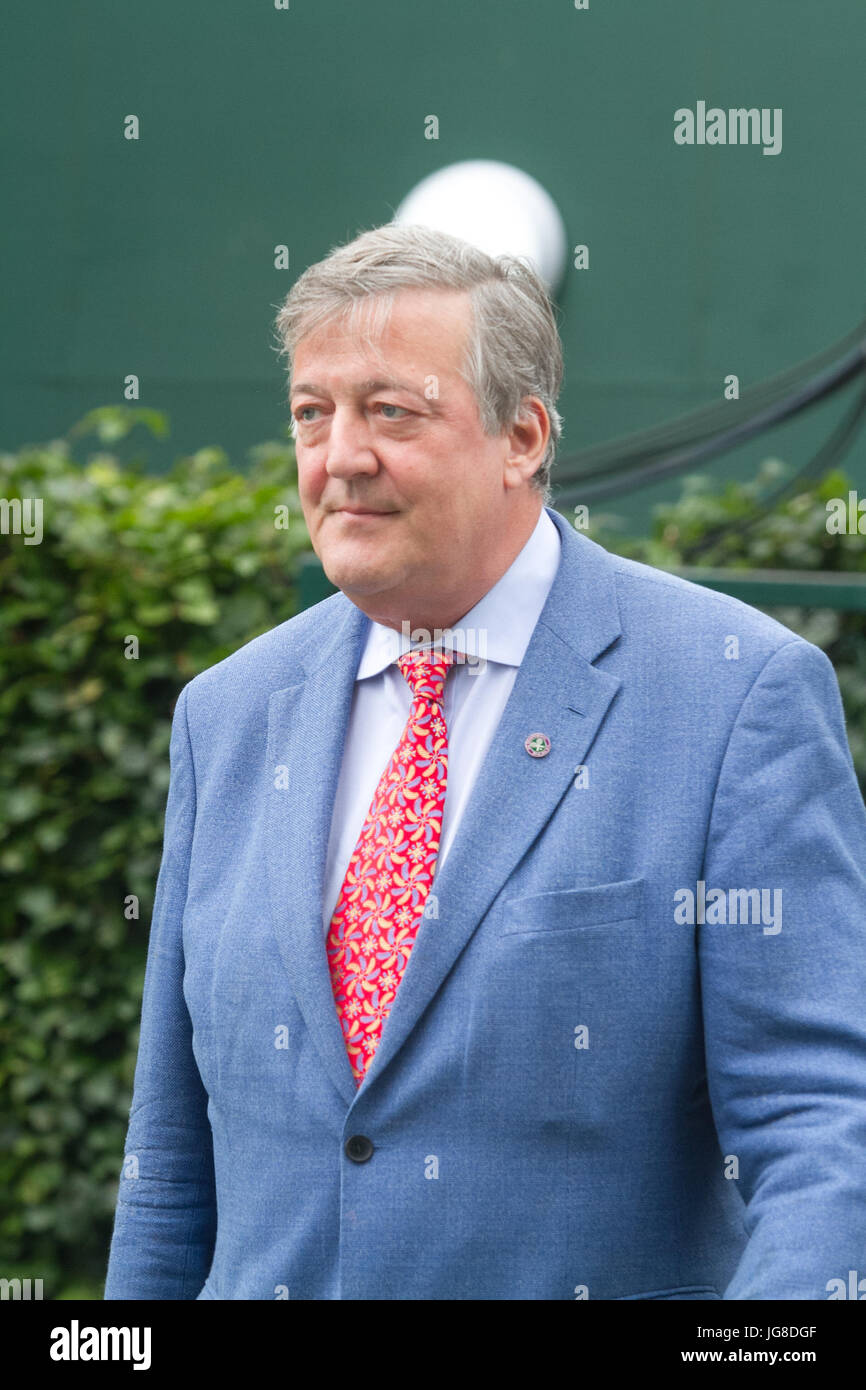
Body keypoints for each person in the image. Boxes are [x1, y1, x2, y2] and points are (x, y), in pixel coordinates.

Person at [104, 223, 866, 1300]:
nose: (340, 456)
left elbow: (819, 1130)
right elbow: (169, 1165)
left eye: (391, 412)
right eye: (312, 414)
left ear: (523, 436)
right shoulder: (225, 716)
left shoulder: (734, 694)